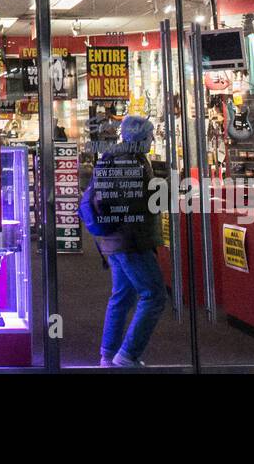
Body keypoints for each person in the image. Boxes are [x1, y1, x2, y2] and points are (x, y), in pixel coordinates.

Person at [81, 115, 165, 368]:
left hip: (115, 240)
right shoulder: (129, 162)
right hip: (131, 242)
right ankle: (127, 354)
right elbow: (134, 204)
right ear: (139, 138)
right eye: (149, 135)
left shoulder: (116, 158)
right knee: (154, 296)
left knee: (122, 296)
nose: (152, 139)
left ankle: (109, 354)